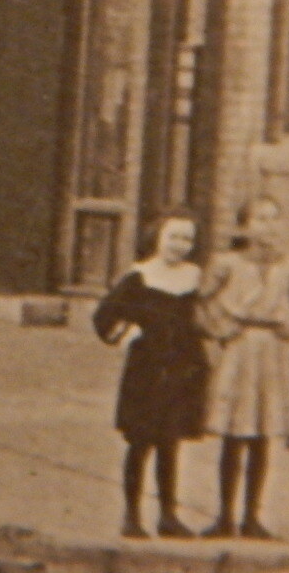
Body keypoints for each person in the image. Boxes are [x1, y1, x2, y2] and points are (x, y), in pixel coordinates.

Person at [197, 194, 289, 540]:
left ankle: (252, 517)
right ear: (243, 227)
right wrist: (218, 329)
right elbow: (201, 301)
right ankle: (225, 516)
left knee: (263, 435)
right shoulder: (227, 264)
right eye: (259, 219)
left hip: (272, 354)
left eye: (274, 218)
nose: (268, 226)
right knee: (235, 435)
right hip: (239, 349)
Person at [92, 207, 208, 539]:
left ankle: (168, 515)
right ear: (157, 236)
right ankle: (132, 516)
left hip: (181, 371)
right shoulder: (140, 277)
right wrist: (129, 335)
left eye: (188, 238)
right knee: (140, 442)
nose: (180, 244)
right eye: (173, 236)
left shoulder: (194, 277)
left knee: (170, 444)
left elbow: (203, 317)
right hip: (146, 372)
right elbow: (104, 317)